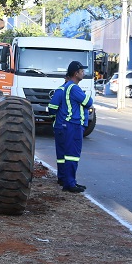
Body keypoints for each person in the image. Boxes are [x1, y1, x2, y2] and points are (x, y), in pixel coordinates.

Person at [47, 61, 93, 193]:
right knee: (72, 155)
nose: (83, 73)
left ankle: (67, 180)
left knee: (65, 155)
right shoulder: (74, 88)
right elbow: (88, 102)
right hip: (73, 125)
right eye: (82, 71)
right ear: (75, 73)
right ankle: (70, 183)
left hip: (66, 125)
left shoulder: (66, 87)